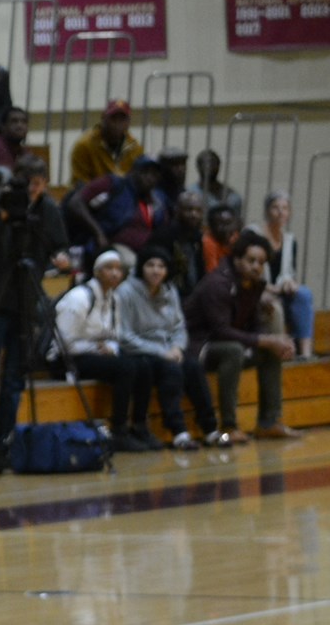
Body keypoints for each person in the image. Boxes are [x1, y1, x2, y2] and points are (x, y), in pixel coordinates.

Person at [0, 155, 73, 473]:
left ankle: (2, 449)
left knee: (14, 381)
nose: (33, 191)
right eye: (28, 184)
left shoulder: (49, 209)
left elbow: (60, 245)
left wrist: (62, 256)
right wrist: (5, 217)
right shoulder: (0, 201)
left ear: (45, 184)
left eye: (38, 184)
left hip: (25, 299)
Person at [186, 232, 299, 443]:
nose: (256, 267)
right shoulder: (218, 283)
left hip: (225, 344)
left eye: (261, 262)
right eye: (251, 260)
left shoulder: (254, 285)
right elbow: (221, 331)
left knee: (270, 351)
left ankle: (268, 422)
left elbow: (254, 326)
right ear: (237, 259)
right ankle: (229, 426)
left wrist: (277, 342)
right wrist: (268, 340)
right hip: (198, 347)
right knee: (234, 350)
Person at [51, 249, 157, 451]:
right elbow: (63, 343)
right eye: (109, 268)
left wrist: (109, 348)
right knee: (125, 368)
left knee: (144, 364)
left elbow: (114, 336)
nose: (115, 273)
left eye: (119, 269)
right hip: (66, 359)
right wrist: (95, 348)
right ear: (97, 272)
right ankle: (118, 431)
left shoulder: (113, 299)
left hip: (95, 354)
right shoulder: (79, 298)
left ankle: (139, 426)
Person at [120, 247, 220, 451]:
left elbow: (178, 327)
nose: (156, 270)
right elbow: (124, 335)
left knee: (193, 367)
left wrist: (177, 347)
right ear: (141, 267)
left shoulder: (170, 290)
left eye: (161, 266)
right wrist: (161, 352)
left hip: (168, 350)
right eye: (150, 265)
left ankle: (210, 429)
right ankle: (179, 432)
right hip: (140, 352)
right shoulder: (126, 292)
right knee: (171, 370)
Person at [69, 156, 168, 260]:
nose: (149, 178)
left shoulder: (158, 199)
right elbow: (75, 203)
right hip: (112, 246)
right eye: (145, 172)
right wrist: (98, 233)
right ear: (133, 172)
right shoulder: (114, 184)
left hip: (147, 250)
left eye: (154, 174)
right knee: (130, 261)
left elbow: (163, 229)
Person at [258, 191, 313, 359]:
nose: (281, 212)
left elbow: (289, 272)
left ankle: (306, 354)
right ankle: (282, 352)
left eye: (285, 208)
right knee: (273, 305)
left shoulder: (290, 240)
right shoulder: (255, 234)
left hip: (280, 290)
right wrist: (269, 288)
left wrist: (289, 282)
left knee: (304, 294)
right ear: (267, 211)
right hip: (259, 289)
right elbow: (249, 271)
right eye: (275, 207)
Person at [69, 100, 142, 185]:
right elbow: (80, 184)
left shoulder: (135, 147)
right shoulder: (84, 146)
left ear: (128, 122)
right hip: (91, 192)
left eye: (122, 119)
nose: (117, 123)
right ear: (103, 118)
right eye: (113, 118)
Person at [162, 189, 209, 298]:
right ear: (178, 210)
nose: (194, 214)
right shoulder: (165, 236)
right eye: (189, 209)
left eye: (198, 210)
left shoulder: (198, 237)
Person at [195, 149, 245, 219]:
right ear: (198, 166)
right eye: (205, 163)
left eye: (213, 163)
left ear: (219, 166)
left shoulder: (232, 197)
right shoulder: (189, 193)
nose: (209, 166)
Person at [203, 204, 243, 275]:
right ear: (211, 226)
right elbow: (213, 274)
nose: (224, 228)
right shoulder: (209, 242)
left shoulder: (235, 237)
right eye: (219, 224)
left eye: (228, 223)